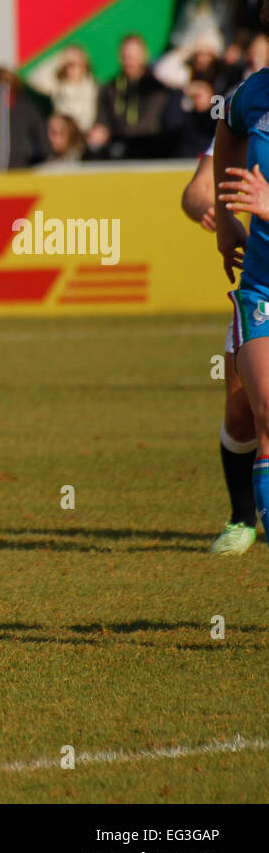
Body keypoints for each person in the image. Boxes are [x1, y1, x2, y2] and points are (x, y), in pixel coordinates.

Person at [181, 126, 257, 553]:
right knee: (241, 408)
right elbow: (196, 191)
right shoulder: (251, 104)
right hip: (261, 280)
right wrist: (212, 211)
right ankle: (242, 519)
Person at [214, 56, 269, 547]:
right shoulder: (254, 93)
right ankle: (243, 518)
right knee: (255, 410)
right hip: (262, 286)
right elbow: (224, 130)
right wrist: (224, 212)